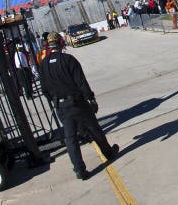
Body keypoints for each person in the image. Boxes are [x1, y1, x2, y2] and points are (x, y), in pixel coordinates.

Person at [38, 32, 119, 180]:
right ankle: (108, 153)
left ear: (48, 46)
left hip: (61, 105)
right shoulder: (68, 59)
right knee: (94, 129)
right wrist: (91, 99)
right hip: (77, 103)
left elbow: (44, 90)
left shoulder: (43, 65)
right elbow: (81, 82)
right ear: (61, 43)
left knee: (70, 139)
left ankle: (79, 170)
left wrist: (55, 100)